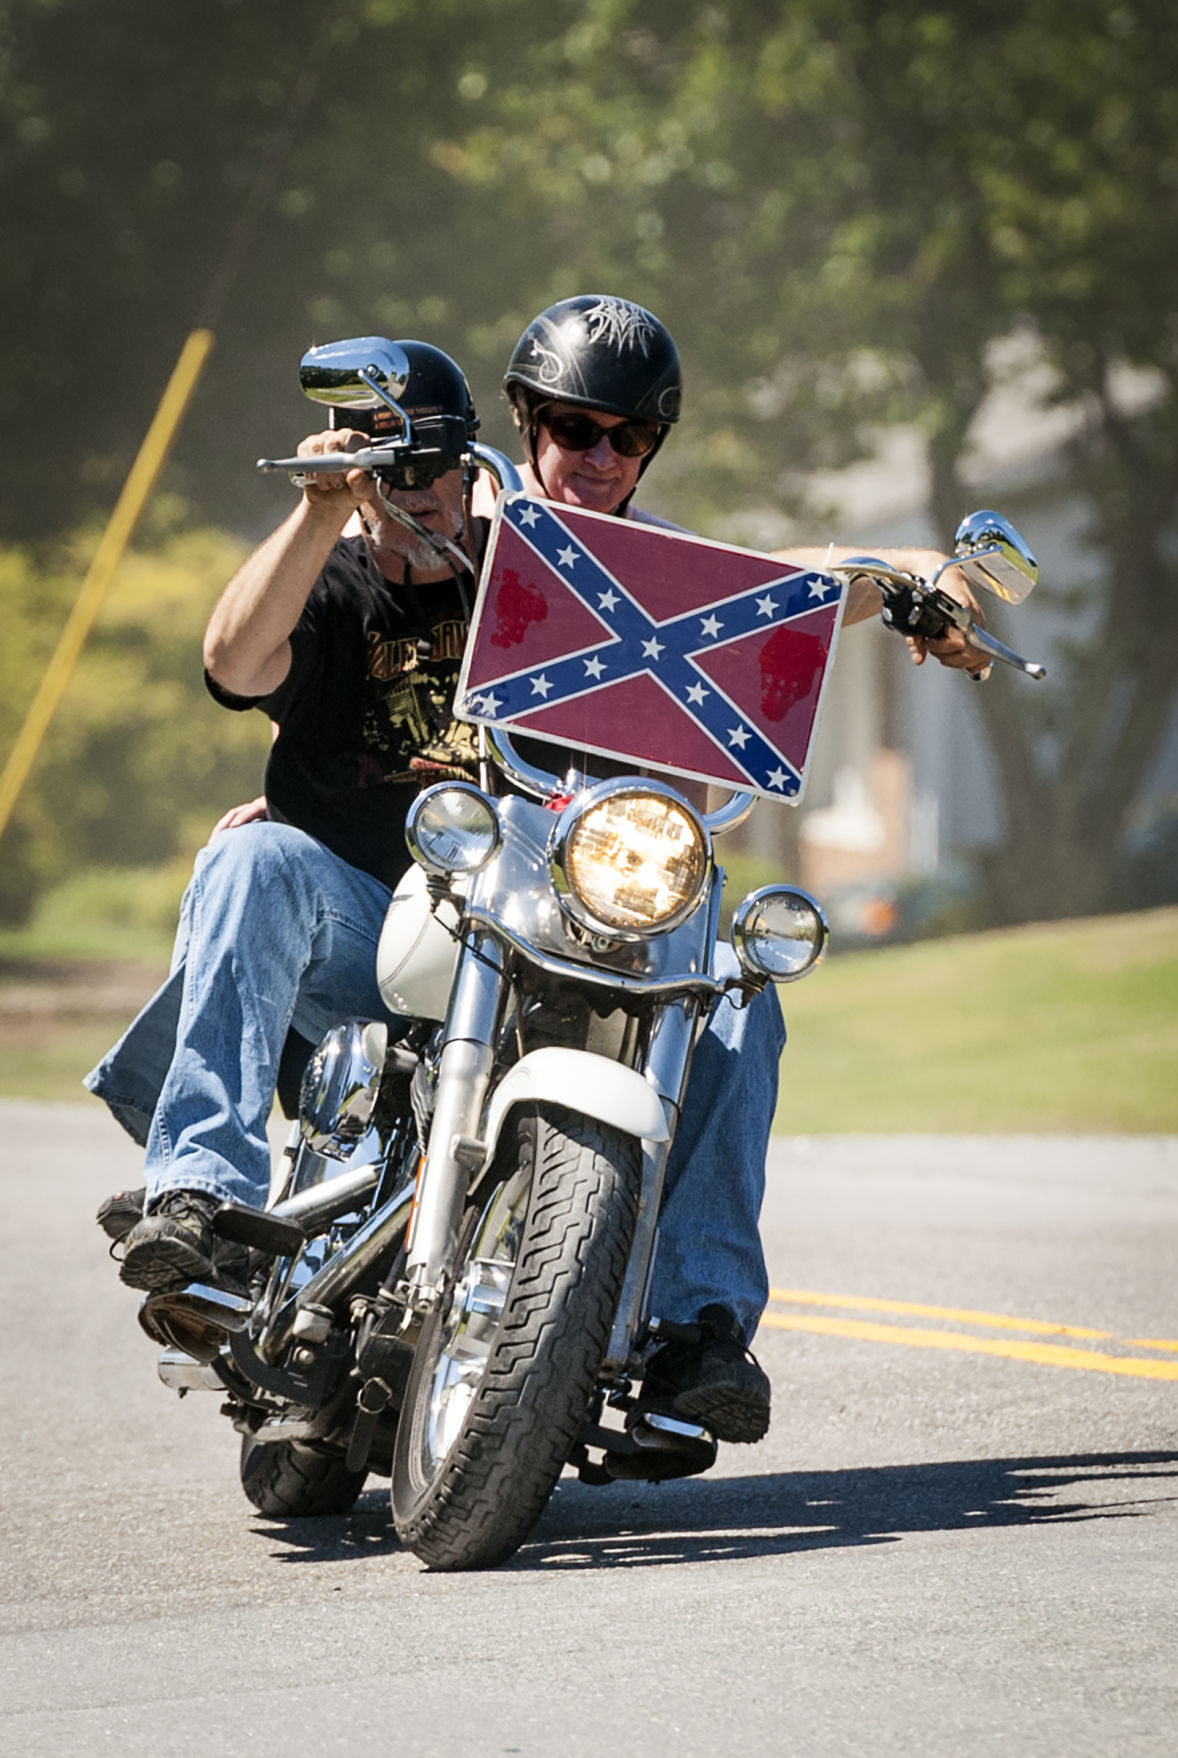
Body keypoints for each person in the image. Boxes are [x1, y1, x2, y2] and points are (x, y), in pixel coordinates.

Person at [90, 297, 989, 1447]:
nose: (597, 455)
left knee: (731, 985)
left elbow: (777, 587)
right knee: (253, 857)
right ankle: (200, 1203)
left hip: (562, 913)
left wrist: (921, 576)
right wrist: (321, 508)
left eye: (624, 436)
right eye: (573, 429)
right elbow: (233, 660)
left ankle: (697, 1329)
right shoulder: (330, 568)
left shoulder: (579, 570)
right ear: (522, 428)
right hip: (381, 921)